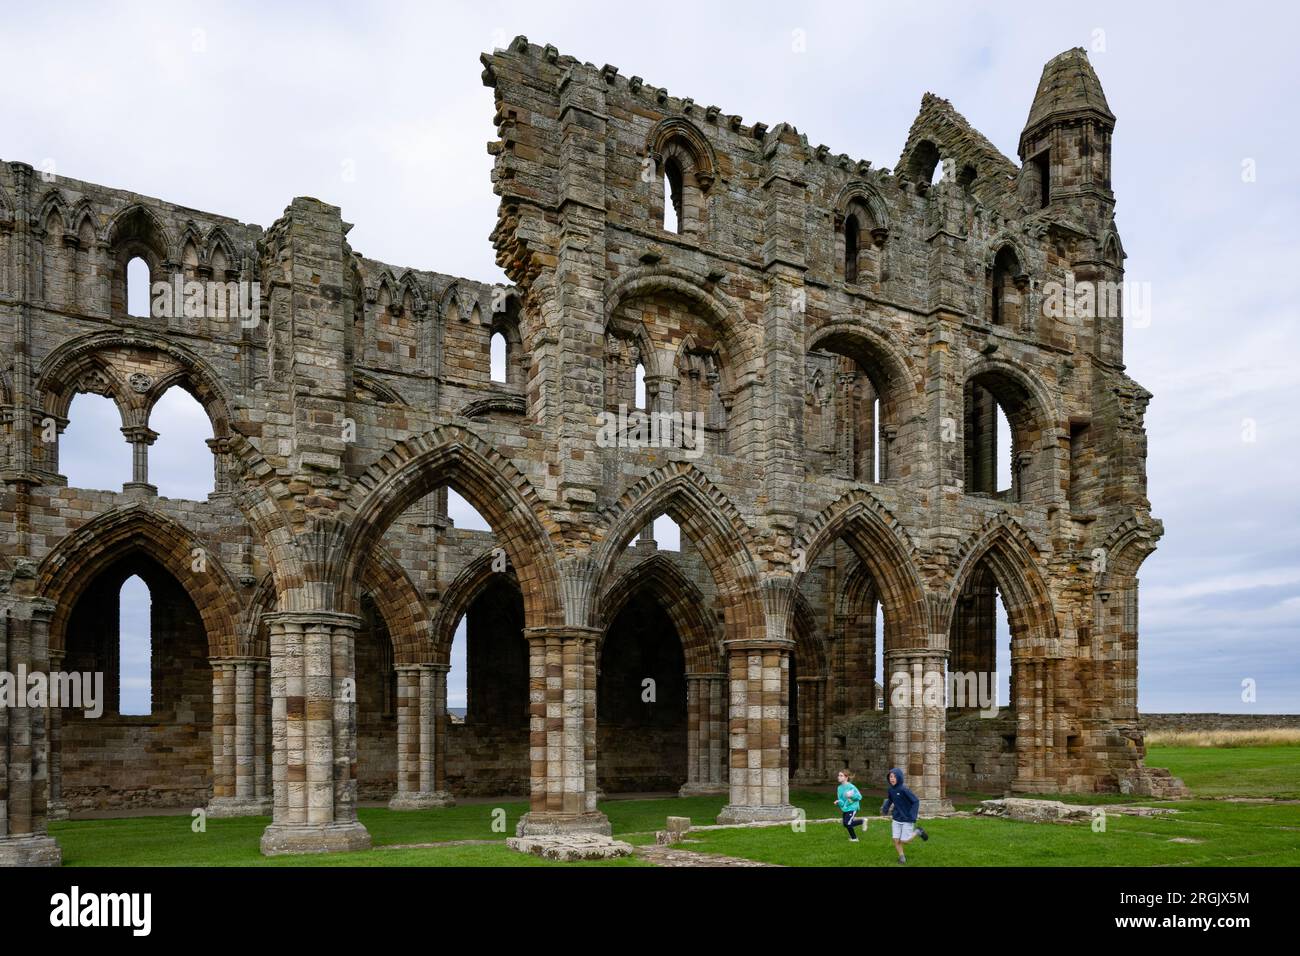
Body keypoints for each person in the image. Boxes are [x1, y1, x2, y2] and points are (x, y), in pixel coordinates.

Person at [880, 767, 929, 863]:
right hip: (896, 818)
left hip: (907, 818)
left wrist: (912, 815)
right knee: (895, 839)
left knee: (905, 841)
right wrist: (885, 808)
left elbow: (915, 801)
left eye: (894, 777)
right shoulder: (891, 790)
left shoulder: (904, 789)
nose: (892, 779)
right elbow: (890, 799)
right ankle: (902, 857)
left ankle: (918, 831)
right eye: (890, 777)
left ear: (899, 777)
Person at [834, 769, 866, 842]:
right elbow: (842, 800)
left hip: (852, 807)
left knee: (847, 823)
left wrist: (851, 796)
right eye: (838, 775)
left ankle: (863, 821)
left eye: (841, 776)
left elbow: (859, 797)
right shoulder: (839, 788)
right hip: (846, 808)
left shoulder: (851, 787)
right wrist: (838, 801)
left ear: (846, 777)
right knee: (846, 824)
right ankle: (854, 838)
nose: (838, 777)